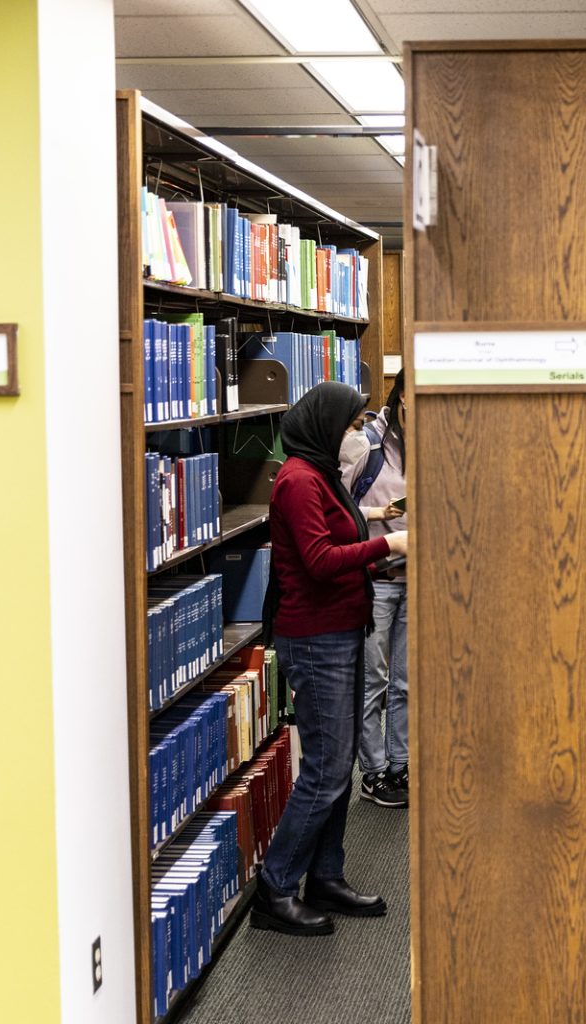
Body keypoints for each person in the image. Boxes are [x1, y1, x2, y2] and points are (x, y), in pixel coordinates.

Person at [251, 381, 409, 936]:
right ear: (325, 425)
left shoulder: (321, 475)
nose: (355, 436)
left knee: (337, 767)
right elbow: (319, 561)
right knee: (326, 769)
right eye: (349, 426)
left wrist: (374, 557)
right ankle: (274, 889)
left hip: (340, 630)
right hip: (316, 639)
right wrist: (390, 545)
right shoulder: (298, 480)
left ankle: (324, 875)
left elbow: (339, 545)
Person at [342, 374, 410, 808]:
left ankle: (400, 764)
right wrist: (378, 514)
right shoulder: (366, 444)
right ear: (403, 396)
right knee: (374, 680)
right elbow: (338, 507)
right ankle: (373, 771)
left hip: (416, 580)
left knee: (406, 682)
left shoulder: (431, 443)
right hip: (376, 580)